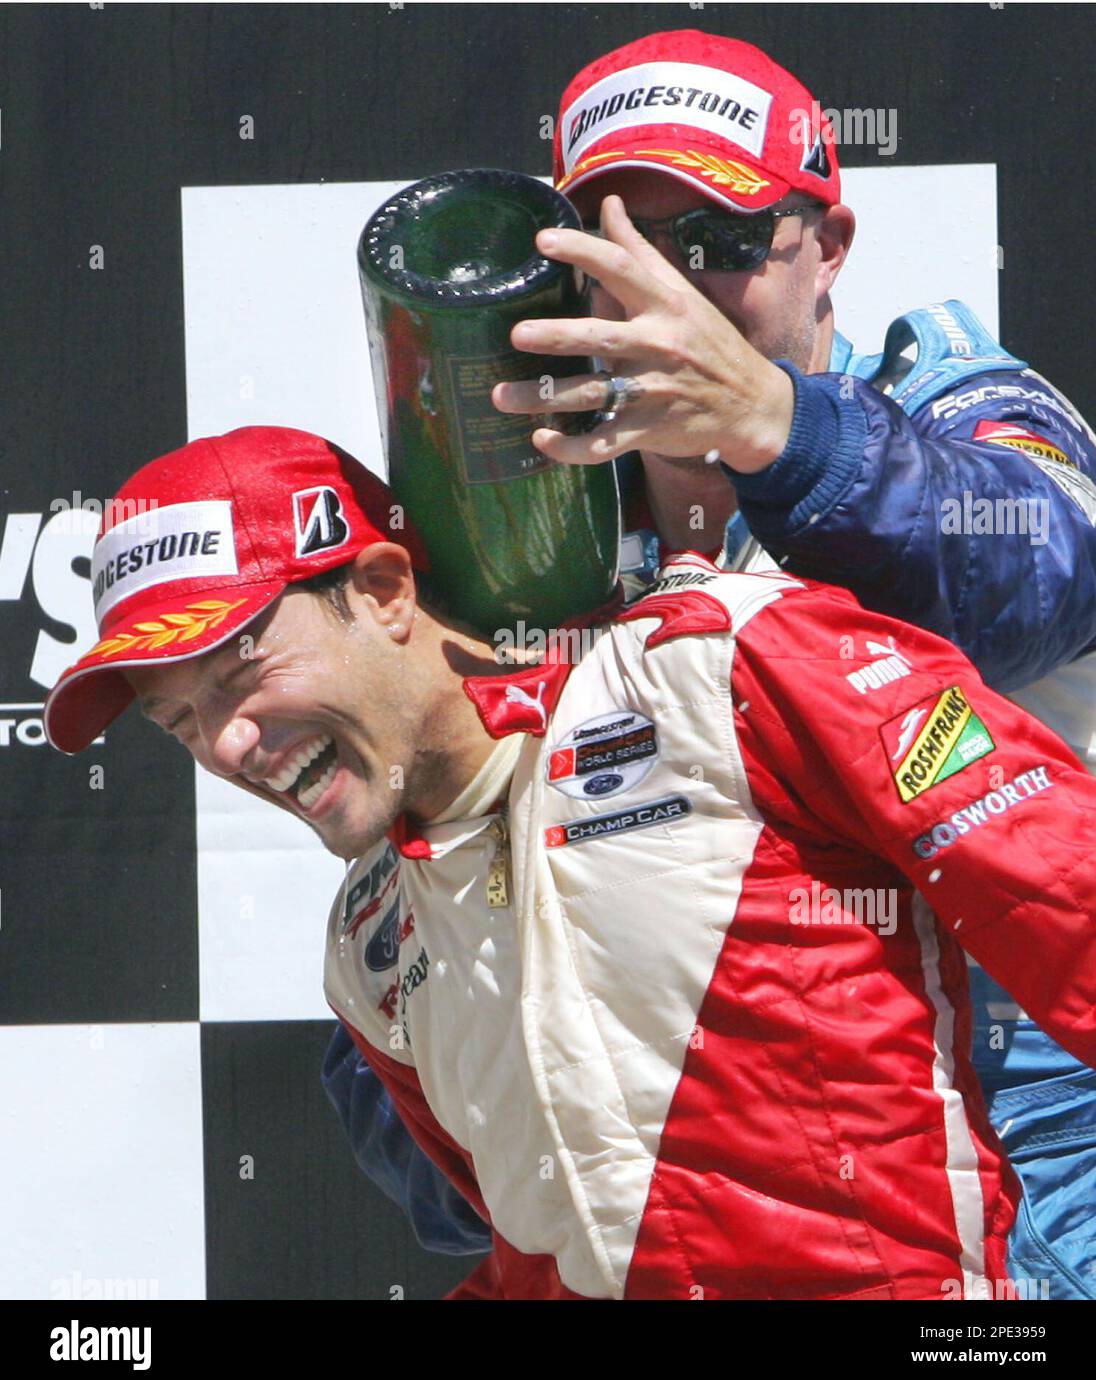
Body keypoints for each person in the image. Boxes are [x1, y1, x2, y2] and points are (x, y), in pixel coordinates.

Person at [333, 29, 1096, 1295]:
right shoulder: (520, 546)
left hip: (1037, 1150)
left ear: (828, 248)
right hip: (743, 1192)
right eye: (612, 242)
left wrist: (772, 431)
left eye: (717, 246)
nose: (662, 290)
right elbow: (438, 1118)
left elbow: (1041, 578)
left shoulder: (957, 400)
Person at [43, 425, 1096, 1299]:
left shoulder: (717, 668)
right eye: (181, 723)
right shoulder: (367, 948)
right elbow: (549, 1253)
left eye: (238, 674)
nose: (227, 746)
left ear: (382, 587)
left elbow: (1071, 899)